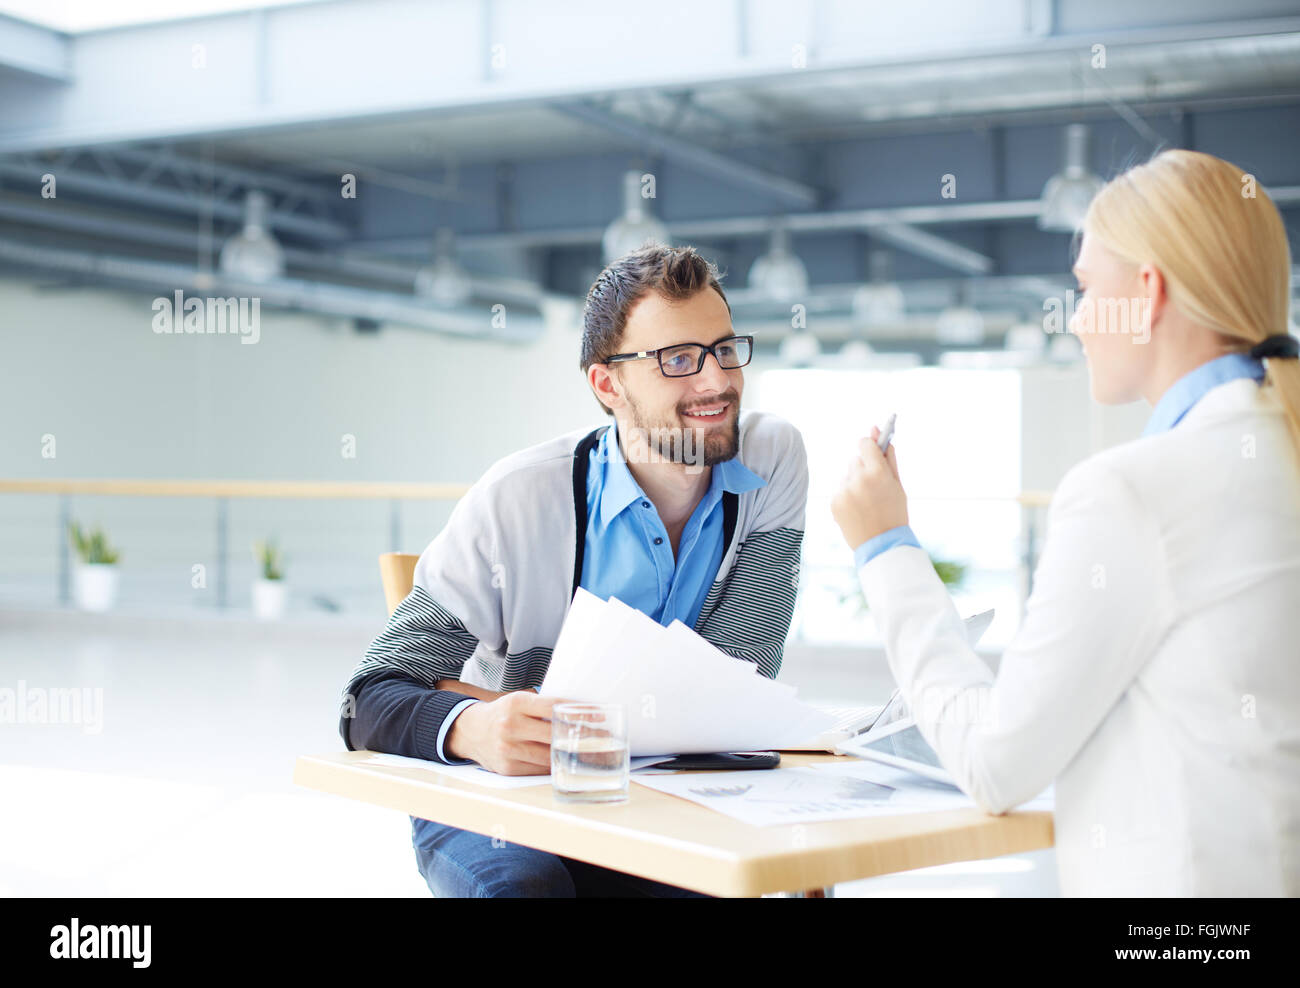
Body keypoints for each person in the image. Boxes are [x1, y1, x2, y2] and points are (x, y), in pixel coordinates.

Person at [830, 148, 1300, 896]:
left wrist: (884, 546)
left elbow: (993, 763)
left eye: (1084, 288)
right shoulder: (1278, 447)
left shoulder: (1133, 492)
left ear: (1146, 292)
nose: (1076, 320)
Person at [339, 243, 808, 897]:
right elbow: (368, 699)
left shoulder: (769, 460)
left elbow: (741, 677)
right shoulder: (519, 498)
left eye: (725, 350)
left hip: (661, 788)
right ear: (607, 385)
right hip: (507, 790)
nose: (717, 382)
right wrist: (474, 726)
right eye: (678, 360)